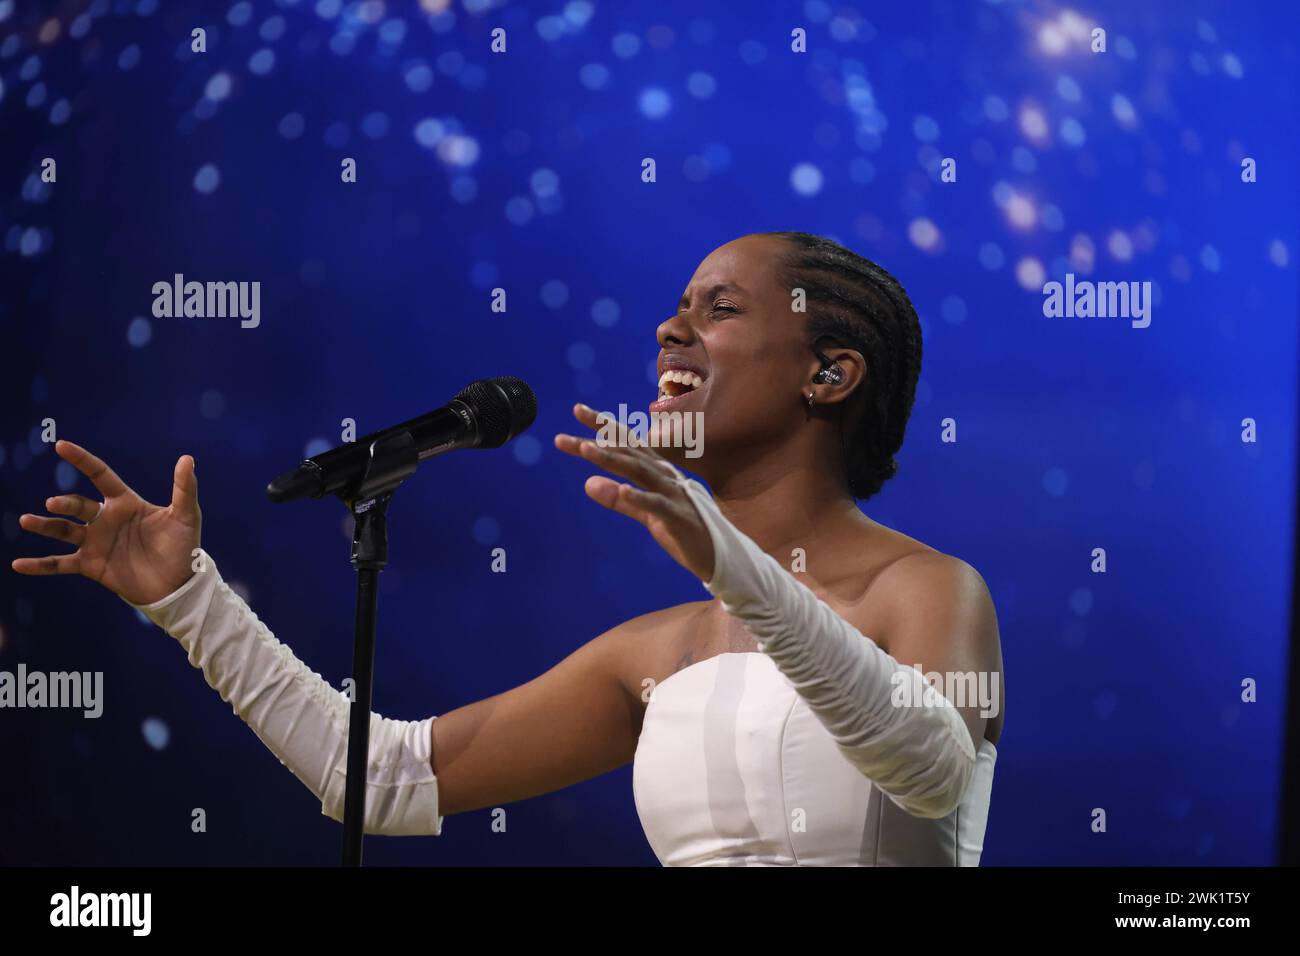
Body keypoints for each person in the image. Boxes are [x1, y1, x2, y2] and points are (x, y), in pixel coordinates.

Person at [13, 232, 1004, 865]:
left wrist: (731, 568)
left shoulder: (927, 588)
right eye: (678, 303)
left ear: (829, 372)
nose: (669, 327)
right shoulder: (656, 650)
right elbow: (379, 780)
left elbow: (929, 770)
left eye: (719, 307)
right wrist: (191, 599)